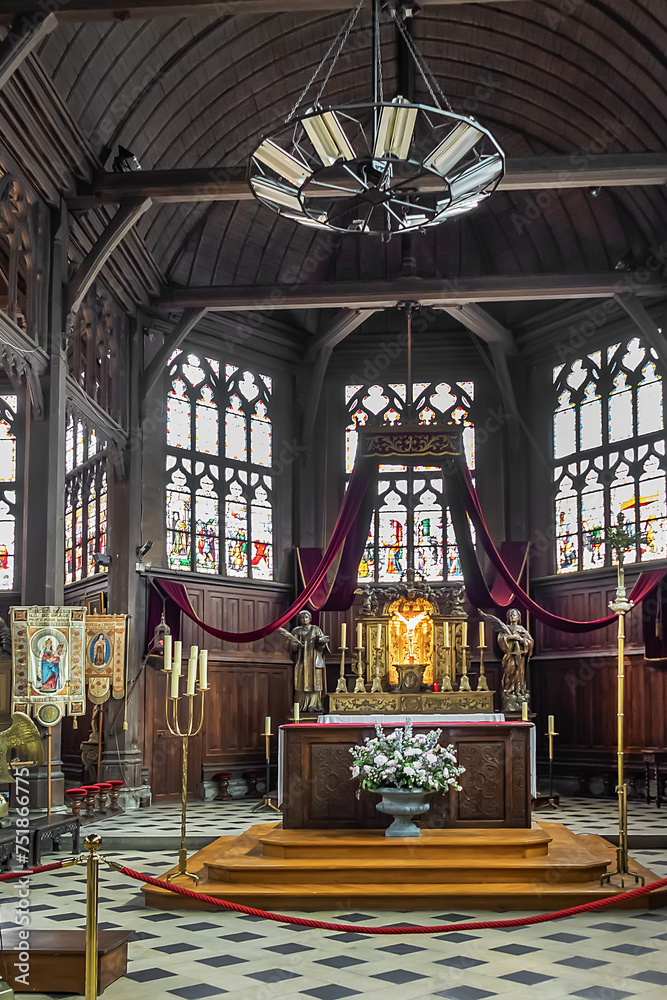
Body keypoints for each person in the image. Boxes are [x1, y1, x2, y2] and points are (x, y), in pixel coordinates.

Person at [279, 610, 329, 713]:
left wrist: (321, 642)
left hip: (314, 660)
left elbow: (322, 647)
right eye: (302, 618)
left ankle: (314, 705)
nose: (304, 619)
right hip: (301, 661)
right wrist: (297, 646)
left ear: (310, 618)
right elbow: (289, 646)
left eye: (306, 617)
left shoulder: (316, 629)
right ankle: (300, 705)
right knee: (300, 682)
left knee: (315, 682)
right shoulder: (296, 631)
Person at [496, 608, 534, 710]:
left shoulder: (521, 629)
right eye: (511, 615)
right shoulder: (506, 628)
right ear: (508, 617)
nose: (513, 616)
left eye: (515, 615)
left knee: (519, 673)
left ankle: (518, 690)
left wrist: (521, 639)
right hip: (510, 655)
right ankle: (509, 690)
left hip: (519, 656)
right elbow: (501, 638)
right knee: (509, 671)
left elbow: (530, 641)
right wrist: (509, 638)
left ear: (518, 617)